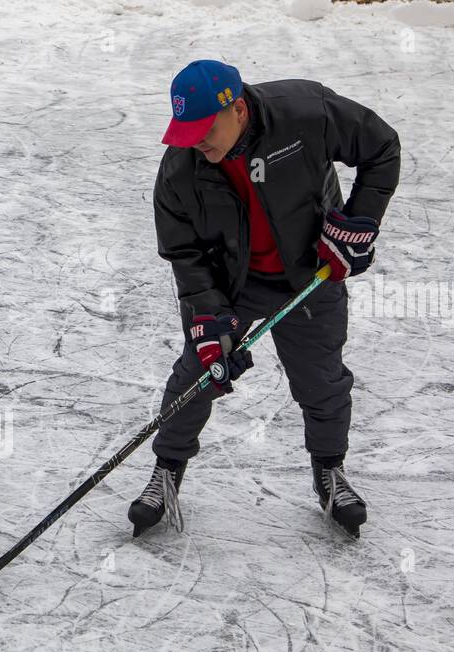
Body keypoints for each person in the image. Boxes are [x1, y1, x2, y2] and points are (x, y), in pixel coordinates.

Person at [131, 59, 400, 539]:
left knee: (321, 380)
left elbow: (382, 147)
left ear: (236, 109)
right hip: (231, 285)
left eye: (204, 129)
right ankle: (167, 470)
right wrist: (209, 319)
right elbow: (183, 253)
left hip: (310, 273)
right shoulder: (179, 168)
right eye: (186, 131)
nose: (197, 142)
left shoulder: (304, 112)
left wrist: (357, 226)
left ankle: (329, 472)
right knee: (200, 369)